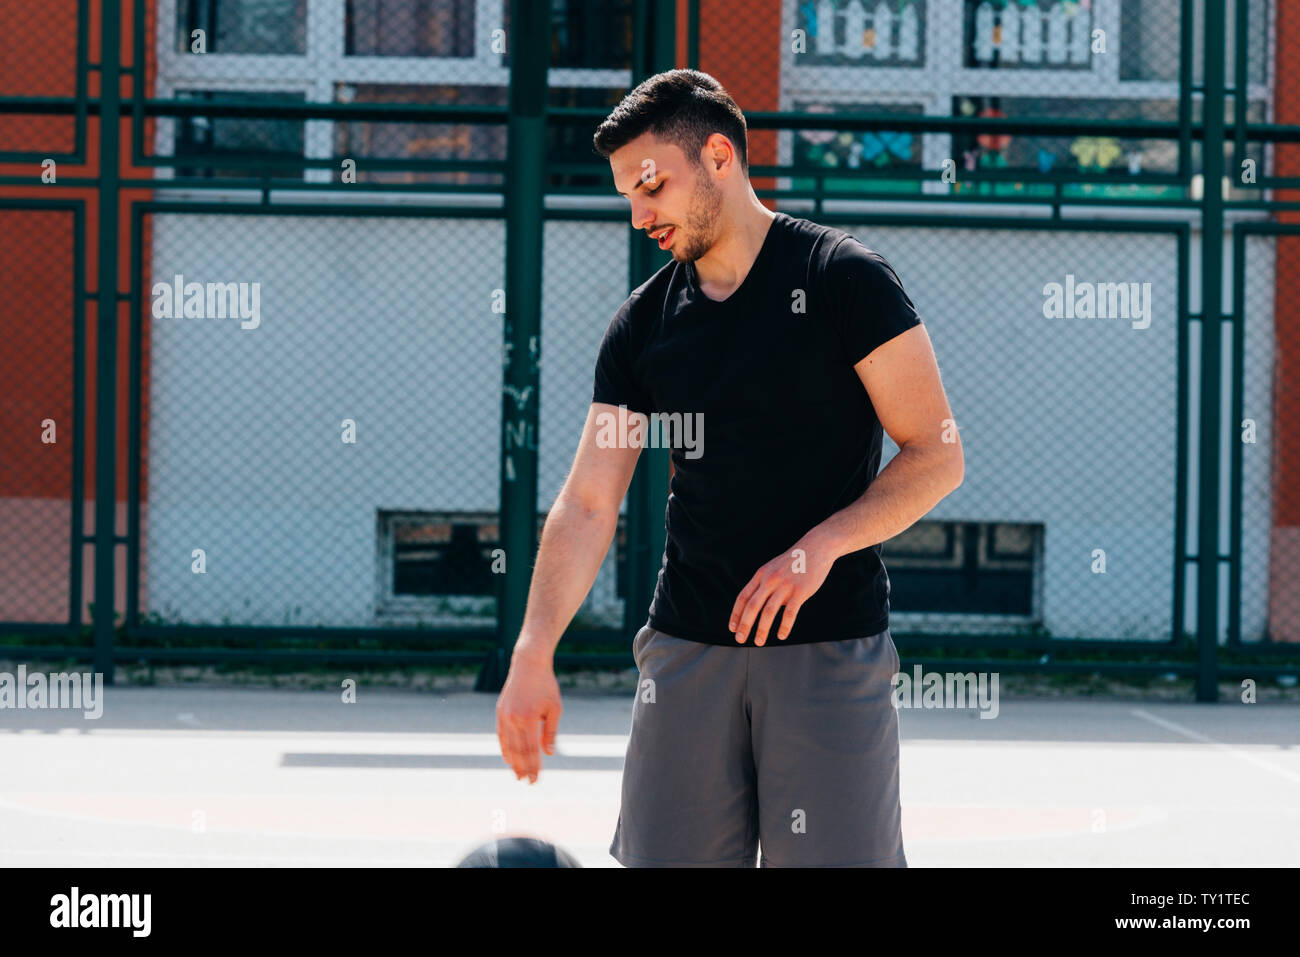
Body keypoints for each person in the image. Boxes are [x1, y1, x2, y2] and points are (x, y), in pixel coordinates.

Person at [495, 69, 963, 867]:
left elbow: (935, 454)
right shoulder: (644, 324)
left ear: (719, 155)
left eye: (651, 186)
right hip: (686, 652)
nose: (640, 215)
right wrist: (533, 650)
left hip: (826, 650)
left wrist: (817, 549)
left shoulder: (843, 281)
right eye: (628, 197)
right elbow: (586, 502)